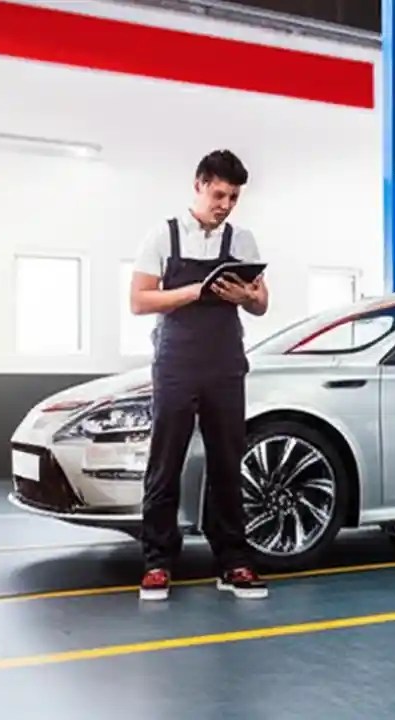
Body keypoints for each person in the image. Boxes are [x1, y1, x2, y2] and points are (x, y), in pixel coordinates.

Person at [128, 149, 270, 601]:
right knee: (165, 460)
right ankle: (157, 562)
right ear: (198, 185)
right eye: (218, 194)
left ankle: (233, 561)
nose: (225, 204)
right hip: (176, 361)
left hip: (225, 362)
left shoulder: (242, 240)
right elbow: (139, 300)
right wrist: (194, 291)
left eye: (233, 197)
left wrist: (244, 294)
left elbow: (262, 303)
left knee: (229, 460)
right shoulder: (163, 236)